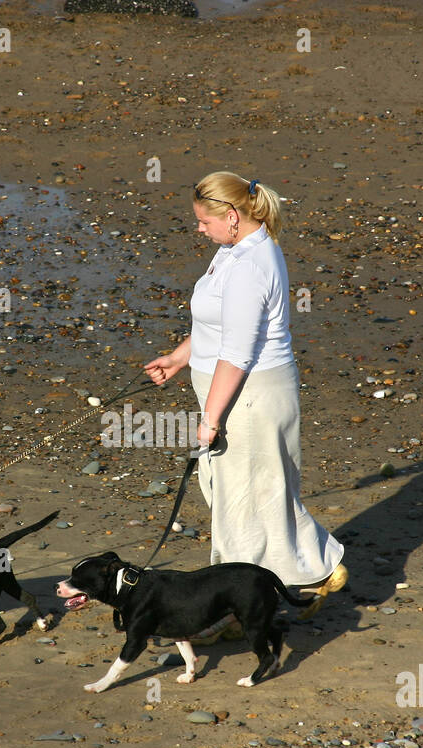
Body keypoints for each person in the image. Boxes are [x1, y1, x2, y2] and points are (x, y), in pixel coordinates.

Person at [144, 171, 347, 633]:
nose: (198, 229)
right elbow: (216, 323)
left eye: (203, 221)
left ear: (232, 216)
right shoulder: (233, 251)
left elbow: (237, 352)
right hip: (233, 390)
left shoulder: (251, 265)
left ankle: (242, 605)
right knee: (239, 492)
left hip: (250, 395)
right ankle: (311, 569)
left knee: (244, 500)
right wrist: (179, 358)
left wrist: (210, 418)